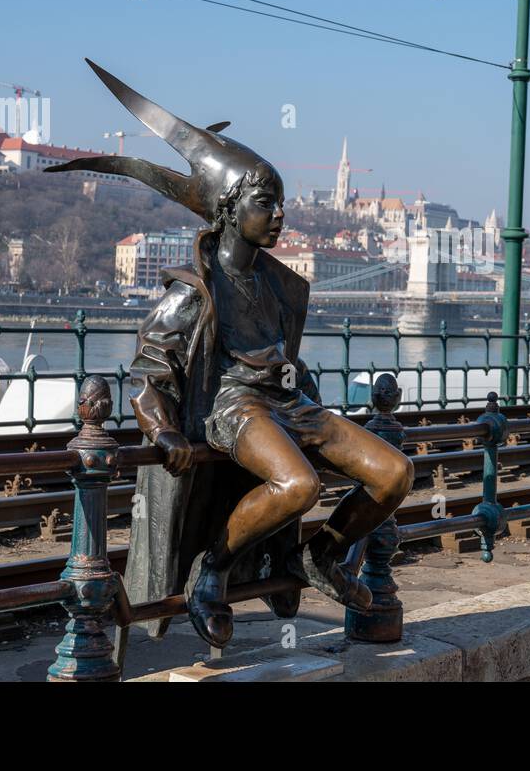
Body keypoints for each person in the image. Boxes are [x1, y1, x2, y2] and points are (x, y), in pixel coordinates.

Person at [49, 60, 413, 648]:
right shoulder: (194, 290)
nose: (279, 214)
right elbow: (149, 377)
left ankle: (321, 554)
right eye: (266, 203)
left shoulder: (276, 285)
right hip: (234, 408)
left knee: (395, 472)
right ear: (230, 210)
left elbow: (284, 357)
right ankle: (210, 571)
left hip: (287, 402)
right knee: (298, 487)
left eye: (279, 202)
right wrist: (161, 432)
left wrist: (305, 390)